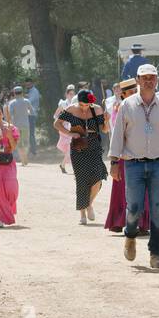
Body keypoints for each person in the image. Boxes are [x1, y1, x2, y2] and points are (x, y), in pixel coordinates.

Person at [108, 64, 159, 268]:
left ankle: (156, 253)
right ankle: (131, 235)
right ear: (138, 80)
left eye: (152, 77)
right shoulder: (127, 105)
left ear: (156, 80)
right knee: (133, 207)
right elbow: (117, 135)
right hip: (133, 164)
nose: (149, 81)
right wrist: (115, 161)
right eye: (145, 78)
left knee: (158, 209)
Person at [55, 89, 106, 224]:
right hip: (78, 148)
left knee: (98, 178)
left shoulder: (98, 110)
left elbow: (105, 129)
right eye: (82, 105)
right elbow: (57, 124)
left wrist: (106, 120)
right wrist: (69, 134)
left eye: (87, 105)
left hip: (94, 147)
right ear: (78, 102)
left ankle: (88, 204)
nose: (84, 108)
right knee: (81, 180)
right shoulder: (71, 109)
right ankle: (82, 214)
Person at [104, 78, 147, 235]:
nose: (134, 94)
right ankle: (121, 221)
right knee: (124, 190)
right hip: (125, 155)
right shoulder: (121, 107)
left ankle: (140, 223)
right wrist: (114, 160)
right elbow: (116, 134)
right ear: (123, 94)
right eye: (130, 92)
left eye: (135, 91)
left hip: (142, 153)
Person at [6, 87, 33, 166]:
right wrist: (26, 112)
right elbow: (32, 112)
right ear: (22, 93)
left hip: (16, 126)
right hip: (25, 125)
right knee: (26, 142)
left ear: (14, 93)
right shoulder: (27, 101)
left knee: (19, 143)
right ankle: (25, 157)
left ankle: (22, 160)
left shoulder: (12, 103)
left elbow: (10, 115)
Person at [54, 84, 77, 173]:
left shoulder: (75, 103)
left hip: (73, 127)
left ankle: (63, 165)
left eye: (73, 94)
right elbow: (55, 115)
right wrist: (61, 122)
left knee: (71, 148)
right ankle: (72, 167)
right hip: (64, 128)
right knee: (70, 148)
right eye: (70, 94)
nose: (71, 95)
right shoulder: (63, 103)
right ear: (66, 94)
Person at [23, 79, 41, 157]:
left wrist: (22, 97)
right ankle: (29, 150)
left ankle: (33, 151)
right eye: (27, 85)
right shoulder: (29, 91)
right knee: (27, 133)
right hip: (27, 115)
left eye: (29, 85)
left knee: (31, 134)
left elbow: (29, 101)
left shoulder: (34, 91)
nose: (28, 86)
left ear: (32, 84)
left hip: (32, 115)